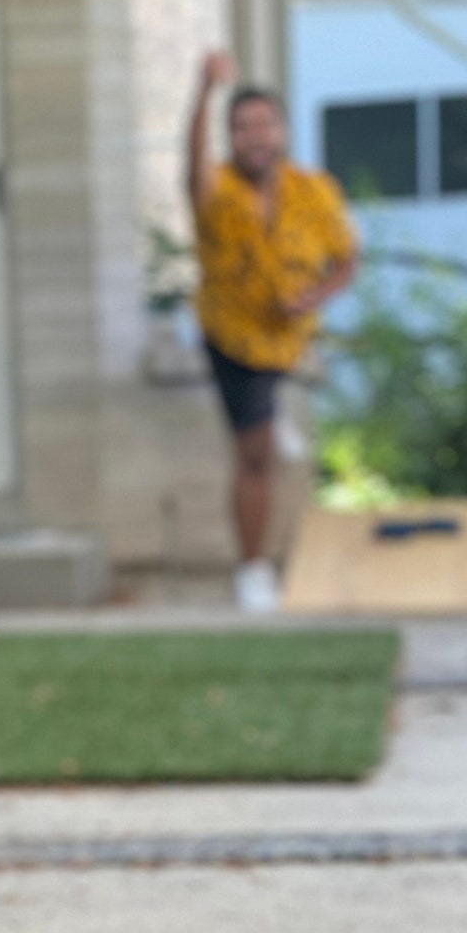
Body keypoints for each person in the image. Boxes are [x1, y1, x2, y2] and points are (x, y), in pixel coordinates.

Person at [188, 50, 358, 614]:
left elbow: (346, 262)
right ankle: (253, 567)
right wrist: (204, 93)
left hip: (289, 334)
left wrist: (312, 297)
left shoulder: (314, 192)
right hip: (232, 336)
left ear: (282, 131)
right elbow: (192, 171)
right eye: (241, 128)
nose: (254, 137)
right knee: (254, 456)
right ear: (230, 137)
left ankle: (272, 412)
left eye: (264, 125)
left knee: (265, 423)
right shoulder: (219, 190)